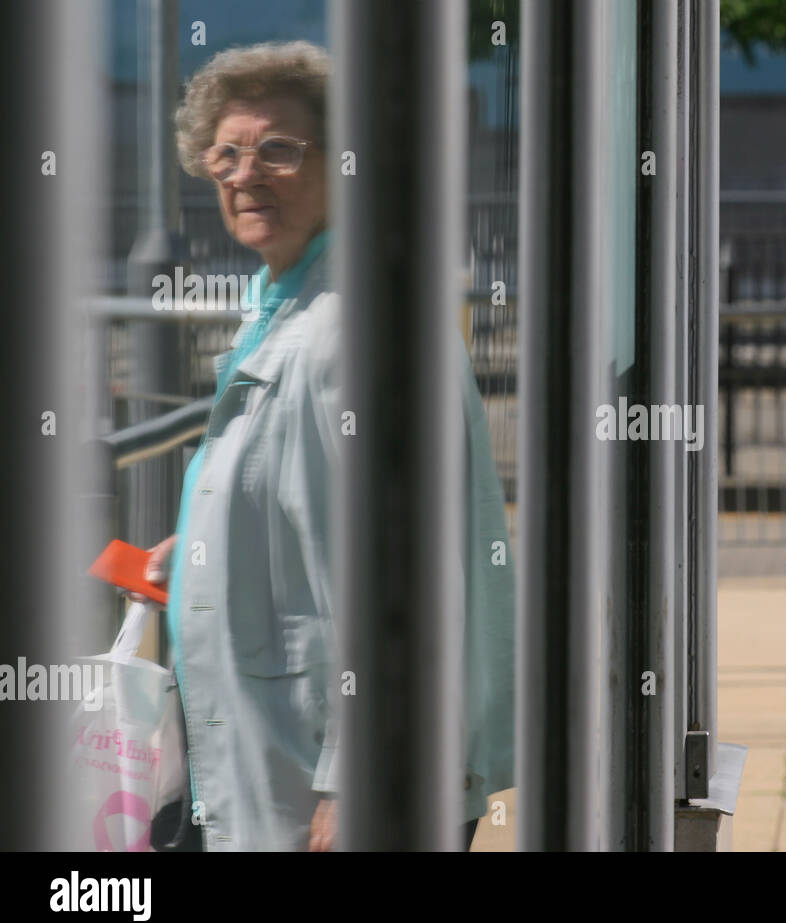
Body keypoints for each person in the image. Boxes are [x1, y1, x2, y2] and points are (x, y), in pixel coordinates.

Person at [134, 41, 515, 851]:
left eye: (278, 148)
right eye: (228, 153)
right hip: (275, 766)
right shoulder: (285, 300)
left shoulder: (357, 322)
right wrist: (211, 545)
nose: (246, 173)